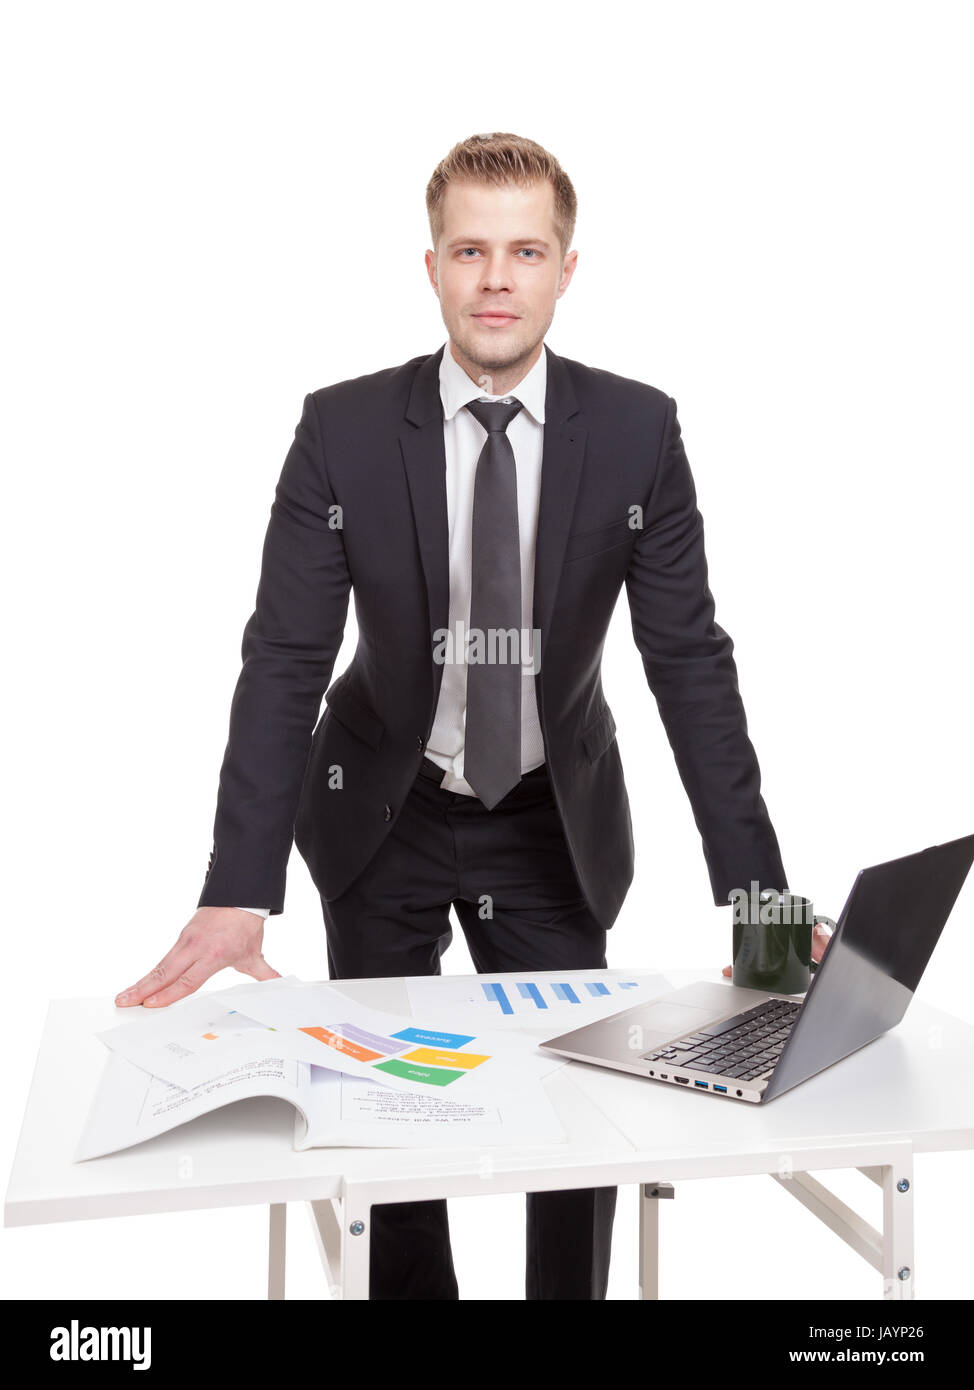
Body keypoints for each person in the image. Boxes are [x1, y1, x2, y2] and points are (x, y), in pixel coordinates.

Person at [115, 131, 832, 1299]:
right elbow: (284, 657)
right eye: (469, 250)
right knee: (391, 1129)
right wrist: (240, 883)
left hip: (547, 819)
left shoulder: (637, 432)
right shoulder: (341, 429)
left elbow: (687, 662)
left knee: (577, 1118)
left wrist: (759, 901)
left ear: (564, 269)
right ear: (433, 266)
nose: (495, 277)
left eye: (524, 250)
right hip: (376, 816)